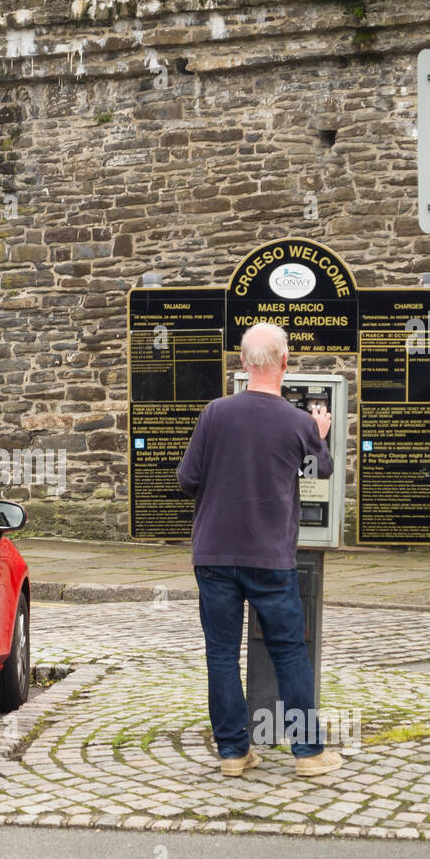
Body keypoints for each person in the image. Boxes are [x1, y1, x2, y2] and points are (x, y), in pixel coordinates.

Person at [176, 322, 344, 779]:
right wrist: (319, 433)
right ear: (285, 363)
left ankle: (233, 752)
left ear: (243, 363)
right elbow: (322, 470)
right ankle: (308, 754)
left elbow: (187, 479)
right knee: (289, 651)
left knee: (221, 653)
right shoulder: (298, 422)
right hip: (271, 557)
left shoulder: (214, 413)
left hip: (214, 555)